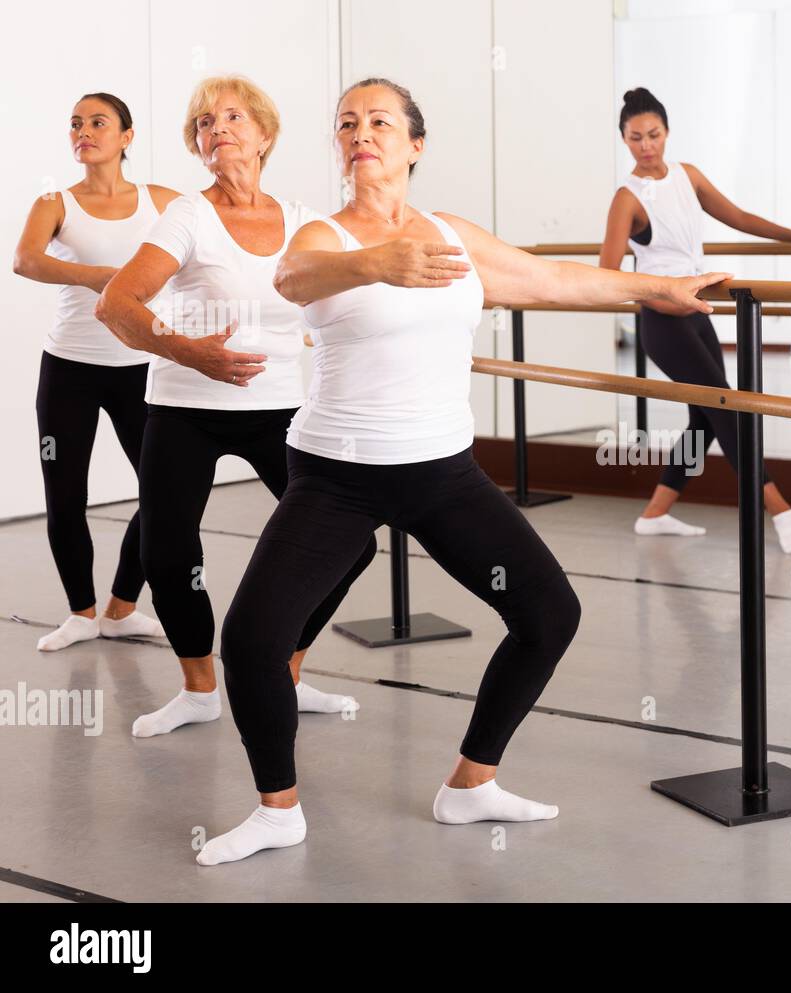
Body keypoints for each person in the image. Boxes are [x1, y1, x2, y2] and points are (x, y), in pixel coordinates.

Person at [189, 78, 730, 865]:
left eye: (380, 120)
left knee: (550, 614)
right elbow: (292, 281)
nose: (360, 131)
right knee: (249, 639)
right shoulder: (323, 237)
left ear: (415, 143)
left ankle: (471, 783)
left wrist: (660, 288)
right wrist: (381, 260)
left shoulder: (450, 234)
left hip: (441, 471)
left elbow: (552, 280)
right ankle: (278, 810)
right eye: (347, 122)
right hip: (335, 473)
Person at [96, 76, 376, 738]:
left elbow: (354, 303)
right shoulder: (188, 216)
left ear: (265, 135)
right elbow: (117, 304)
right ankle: (199, 687)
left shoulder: (309, 222)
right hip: (185, 403)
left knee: (353, 544)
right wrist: (192, 351)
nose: (216, 128)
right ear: (197, 147)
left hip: (281, 406)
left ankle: (288, 668)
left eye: (232, 117)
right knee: (167, 553)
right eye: (203, 123)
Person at [598, 87, 791, 553]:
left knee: (706, 416)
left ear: (667, 132)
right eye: (635, 137)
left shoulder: (688, 176)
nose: (646, 146)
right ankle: (778, 506)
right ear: (623, 140)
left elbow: (739, 217)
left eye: (654, 135)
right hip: (663, 320)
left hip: (697, 310)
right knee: (725, 406)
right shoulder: (627, 197)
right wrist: (664, 301)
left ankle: (655, 513)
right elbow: (607, 275)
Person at [13, 93, 179, 652]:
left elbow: (215, 230)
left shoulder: (161, 201)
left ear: (127, 136)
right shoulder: (54, 202)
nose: (84, 131)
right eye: (76, 124)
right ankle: (81, 614)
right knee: (65, 496)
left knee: (163, 492)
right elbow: (27, 260)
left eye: (98, 122)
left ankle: (120, 608)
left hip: (142, 370)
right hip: (69, 370)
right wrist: (100, 277)